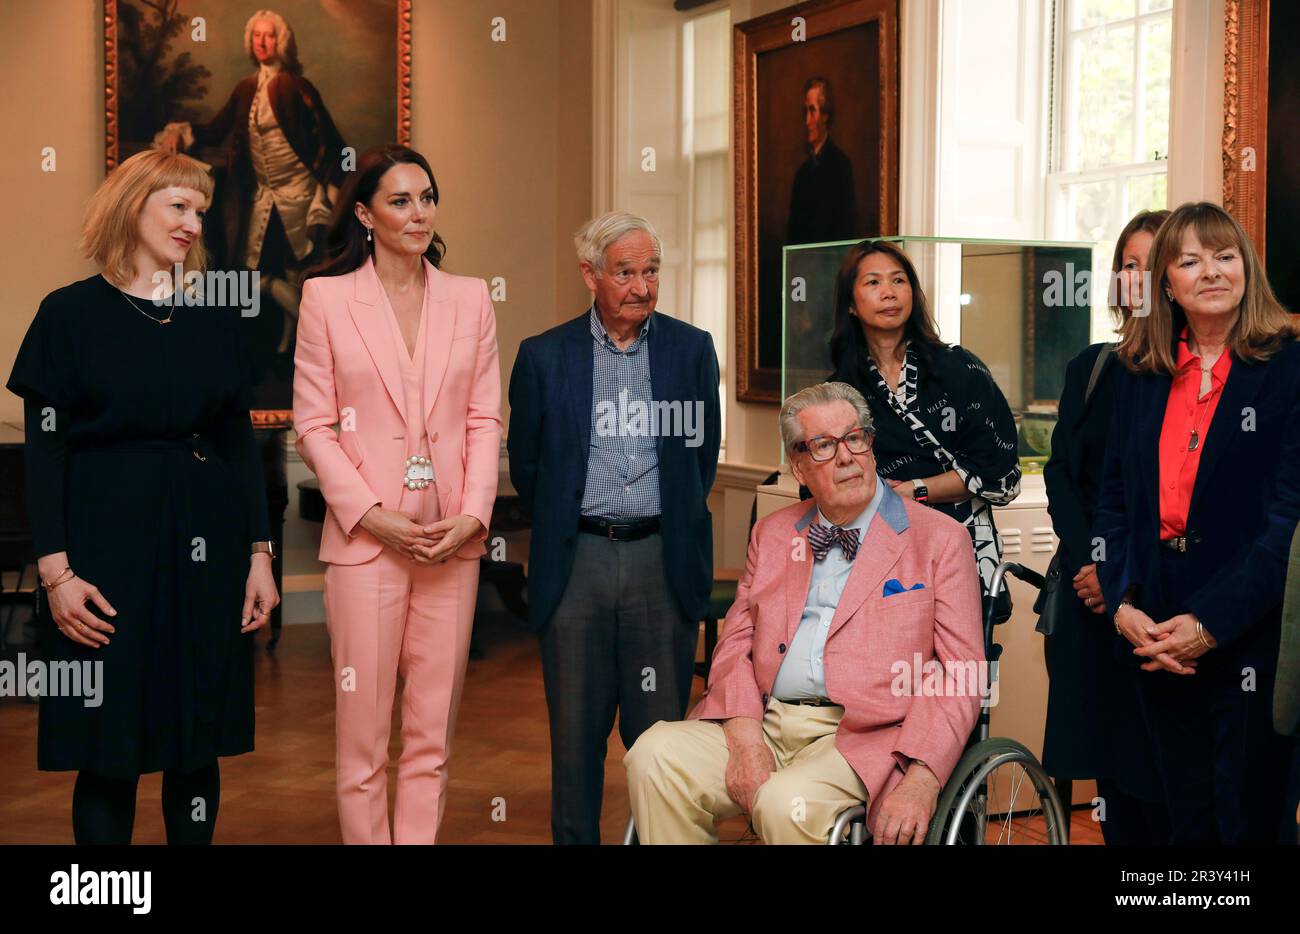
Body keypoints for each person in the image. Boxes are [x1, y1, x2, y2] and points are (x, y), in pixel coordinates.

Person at [5, 148, 279, 844]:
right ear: (134, 206)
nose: (193, 224)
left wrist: (258, 554)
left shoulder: (214, 320)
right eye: (179, 206)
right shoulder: (67, 316)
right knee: (108, 745)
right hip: (103, 550)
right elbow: (45, 451)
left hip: (206, 550)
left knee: (196, 741)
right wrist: (56, 573)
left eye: (202, 212)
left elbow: (238, 445)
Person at [624, 382, 983, 844]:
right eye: (823, 446)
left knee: (782, 802)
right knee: (652, 754)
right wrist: (745, 735)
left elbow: (962, 674)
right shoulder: (772, 534)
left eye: (855, 438)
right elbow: (734, 644)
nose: (846, 456)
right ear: (798, 465)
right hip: (767, 720)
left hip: (865, 738)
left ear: (870, 445)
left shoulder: (939, 539)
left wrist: (922, 778)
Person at [292, 145, 501, 844]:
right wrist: (370, 515)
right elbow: (313, 425)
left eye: (427, 197)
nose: (419, 213)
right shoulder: (326, 298)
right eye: (400, 200)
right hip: (364, 545)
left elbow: (483, 417)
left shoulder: (470, 298)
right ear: (365, 213)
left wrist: (472, 516)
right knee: (363, 737)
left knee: (432, 732)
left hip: (451, 544)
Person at [507, 211, 721, 844]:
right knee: (574, 739)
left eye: (651, 270)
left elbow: (700, 461)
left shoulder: (690, 350)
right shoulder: (544, 358)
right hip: (578, 564)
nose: (641, 286)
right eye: (625, 272)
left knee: (659, 744)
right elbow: (530, 468)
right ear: (590, 275)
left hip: (662, 561)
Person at [1095, 200, 1300, 844]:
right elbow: (1113, 504)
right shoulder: (1138, 374)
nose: (1210, 271)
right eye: (1189, 260)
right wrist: (1122, 603)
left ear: (1248, 269)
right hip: (1152, 625)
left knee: (1244, 820)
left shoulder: (1287, 369)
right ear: (1165, 283)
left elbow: (1288, 523)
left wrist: (1210, 625)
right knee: (1170, 817)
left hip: (1250, 628)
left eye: (1224, 256)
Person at [1041, 209, 1171, 844]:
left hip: (1156, 599)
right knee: (1102, 763)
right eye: (1126, 265)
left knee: (1158, 769)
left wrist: (1117, 573)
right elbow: (1062, 472)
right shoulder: (1091, 366)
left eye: (1150, 263)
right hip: (1090, 591)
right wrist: (1092, 563)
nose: (1136, 277)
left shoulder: (1190, 374)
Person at [828, 239, 1021, 622]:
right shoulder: (841, 390)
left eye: (898, 280)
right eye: (872, 283)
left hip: (963, 543)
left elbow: (998, 466)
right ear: (850, 303)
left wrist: (914, 489)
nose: (889, 292)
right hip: (878, 551)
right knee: (887, 670)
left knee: (969, 673)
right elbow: (830, 483)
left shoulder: (959, 368)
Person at [157, 8, 347, 359]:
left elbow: (329, 141)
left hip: (300, 198)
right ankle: (282, 346)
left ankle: (310, 348)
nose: (262, 41)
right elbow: (216, 129)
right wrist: (178, 132)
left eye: (269, 35)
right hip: (262, 199)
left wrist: (330, 189)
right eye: (257, 35)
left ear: (282, 41)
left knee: (298, 272)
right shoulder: (246, 88)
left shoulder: (297, 87)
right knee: (256, 275)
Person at [787, 77, 856, 245]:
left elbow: (845, 233)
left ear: (825, 115)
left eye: (813, 111)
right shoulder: (802, 173)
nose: (807, 121)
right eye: (806, 112)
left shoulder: (841, 166)